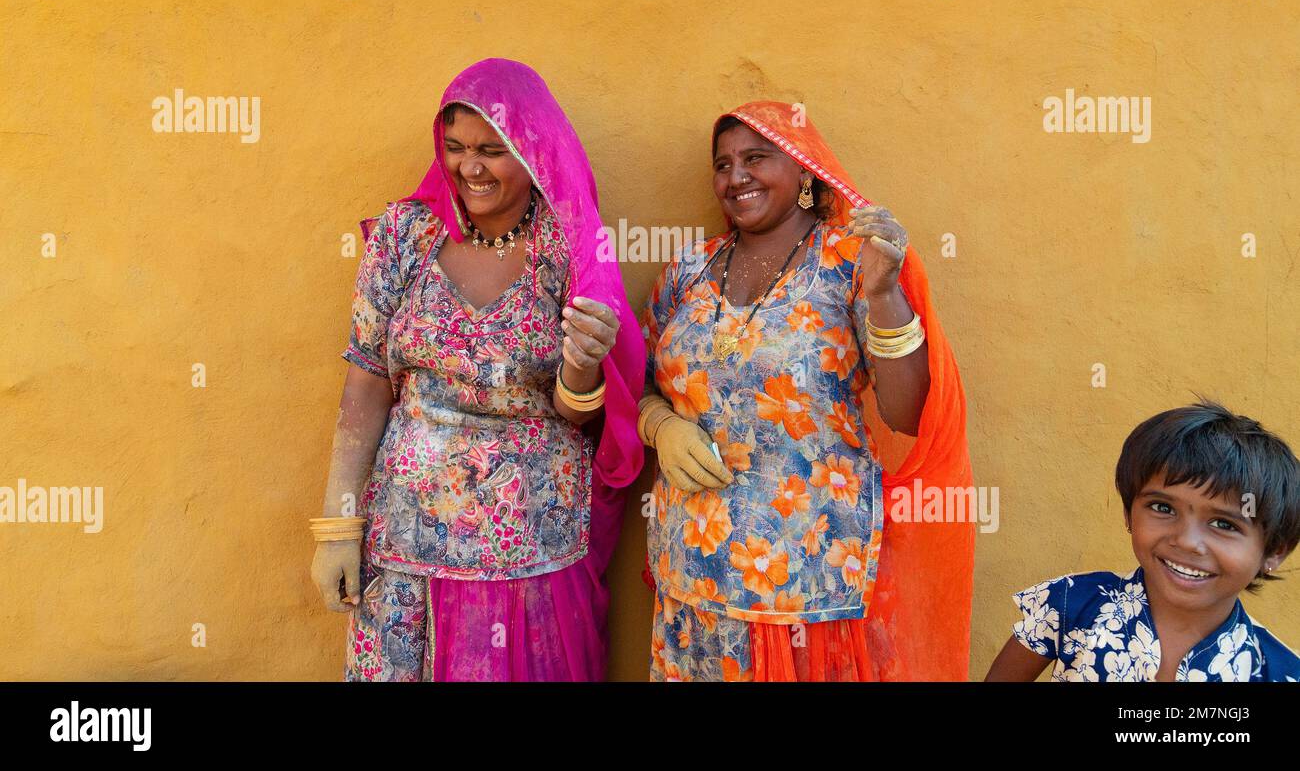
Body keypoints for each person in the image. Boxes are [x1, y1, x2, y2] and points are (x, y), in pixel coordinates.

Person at [309, 58, 644, 681]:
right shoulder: (404, 237)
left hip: (531, 541)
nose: (470, 167)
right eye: (457, 147)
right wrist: (337, 527)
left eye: (493, 150)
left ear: (535, 153)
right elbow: (365, 383)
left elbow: (580, 411)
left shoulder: (568, 245)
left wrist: (581, 367)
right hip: (405, 537)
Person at [638, 101, 974, 680]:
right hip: (691, 569)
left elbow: (909, 413)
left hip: (810, 579)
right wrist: (660, 426)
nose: (735, 176)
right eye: (723, 164)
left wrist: (887, 293)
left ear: (803, 172)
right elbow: (642, 382)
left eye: (756, 158)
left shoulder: (850, 260)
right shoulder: (689, 269)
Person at [986, 398, 1300, 681]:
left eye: (1223, 523)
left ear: (1274, 551)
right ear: (1128, 512)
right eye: (1163, 507)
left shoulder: (1278, 672)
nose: (1188, 541)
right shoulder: (1069, 603)